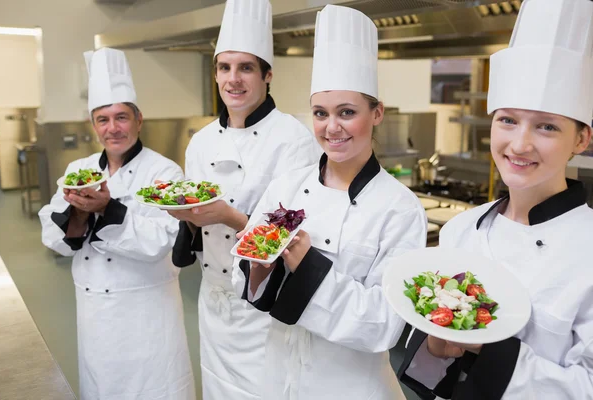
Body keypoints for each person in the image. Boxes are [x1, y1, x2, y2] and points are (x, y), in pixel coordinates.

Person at [397, 0, 593, 398]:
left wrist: (492, 348)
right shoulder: (459, 231)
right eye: (507, 120)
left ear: (582, 139)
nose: (519, 144)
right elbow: (437, 377)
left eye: (547, 126)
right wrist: (437, 347)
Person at [232, 5, 427, 399]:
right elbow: (244, 283)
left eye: (347, 112)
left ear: (377, 114)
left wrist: (307, 264)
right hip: (277, 375)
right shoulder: (286, 186)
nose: (331, 127)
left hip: (350, 386)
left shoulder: (400, 209)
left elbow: (385, 325)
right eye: (320, 113)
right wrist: (258, 267)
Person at [168, 0, 321, 398]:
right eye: (224, 67)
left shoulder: (293, 139)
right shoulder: (200, 142)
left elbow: (292, 231)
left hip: (263, 304)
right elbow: (193, 215)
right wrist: (184, 215)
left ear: (268, 75)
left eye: (246, 68)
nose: (233, 79)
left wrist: (229, 216)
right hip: (212, 299)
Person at [38, 47, 195, 400]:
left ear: (139, 120)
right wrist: (77, 213)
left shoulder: (165, 171)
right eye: (103, 120)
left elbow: (164, 239)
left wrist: (108, 209)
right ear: (93, 126)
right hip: (95, 313)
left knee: (155, 389)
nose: (113, 128)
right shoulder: (80, 170)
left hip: (147, 312)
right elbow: (51, 234)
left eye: (121, 117)